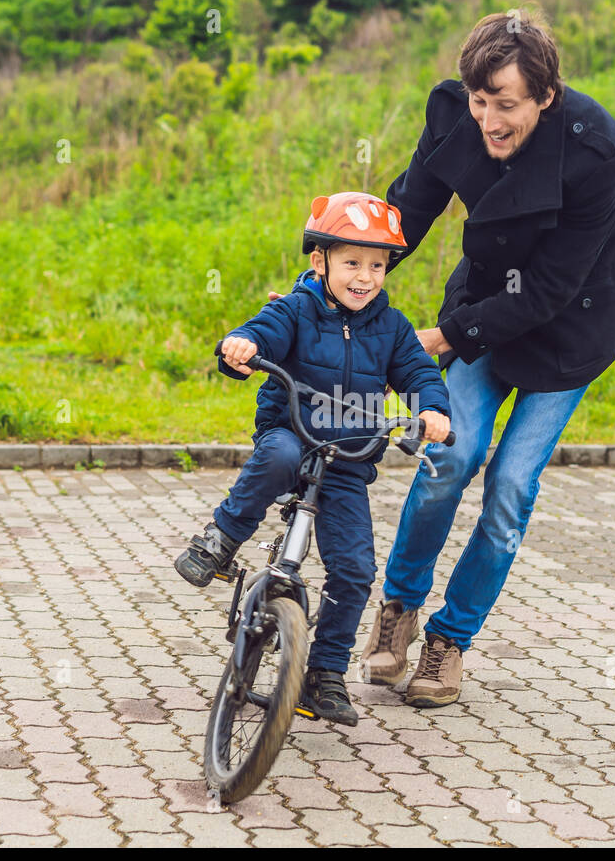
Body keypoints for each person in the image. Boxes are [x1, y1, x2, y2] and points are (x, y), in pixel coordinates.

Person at [358, 8, 615, 707]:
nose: (489, 121)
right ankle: (398, 607)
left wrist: (442, 339)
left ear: (545, 95)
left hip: (567, 332)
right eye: (481, 102)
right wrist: (333, 286)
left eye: (506, 104)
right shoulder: (456, 113)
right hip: (486, 309)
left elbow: (548, 289)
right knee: (450, 455)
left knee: (509, 487)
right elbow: (407, 212)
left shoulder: (598, 153)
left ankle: (450, 641)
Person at [174, 191, 452, 726]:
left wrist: (433, 410)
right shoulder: (296, 310)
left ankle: (323, 672)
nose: (365, 276)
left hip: (347, 459)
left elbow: (418, 373)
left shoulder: (391, 328)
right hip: (292, 435)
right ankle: (222, 538)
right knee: (277, 452)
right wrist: (240, 347)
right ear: (319, 261)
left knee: (354, 571)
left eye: (377, 265)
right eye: (352, 262)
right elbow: (262, 334)